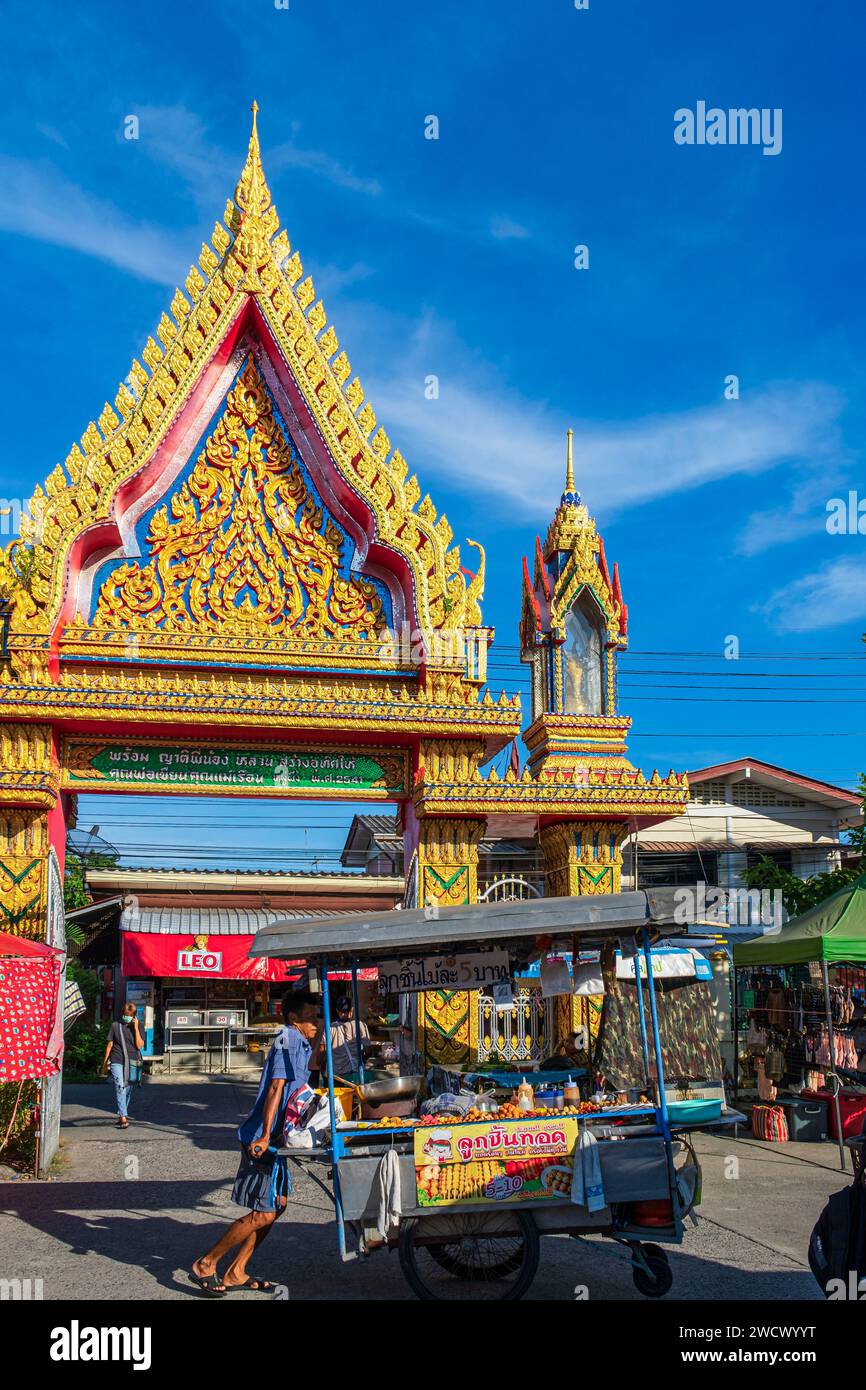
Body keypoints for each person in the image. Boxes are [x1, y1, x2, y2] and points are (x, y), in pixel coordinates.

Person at [190, 989, 322, 1296]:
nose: (315, 1022)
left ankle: (237, 1271)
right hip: (261, 1137)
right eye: (310, 1017)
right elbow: (276, 1089)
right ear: (293, 1018)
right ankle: (206, 1263)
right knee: (263, 1212)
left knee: (278, 1205)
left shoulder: (300, 1042)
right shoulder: (288, 1040)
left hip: (277, 1137)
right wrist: (264, 1135)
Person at [101, 1002, 144, 1129]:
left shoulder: (139, 1026)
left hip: (132, 1062)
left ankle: (121, 1114)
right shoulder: (115, 1026)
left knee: (128, 1089)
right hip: (117, 1060)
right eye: (125, 1015)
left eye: (130, 1015)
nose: (127, 1017)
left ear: (134, 1016)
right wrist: (104, 1063)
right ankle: (124, 1116)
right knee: (120, 1086)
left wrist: (135, 1028)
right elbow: (109, 1045)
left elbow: (139, 1045)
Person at [323, 994, 371, 1079]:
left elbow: (323, 1050)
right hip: (355, 1072)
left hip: (336, 1074)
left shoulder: (329, 1028)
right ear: (352, 1010)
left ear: (337, 1010)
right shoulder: (360, 1025)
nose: (344, 1014)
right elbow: (368, 1050)